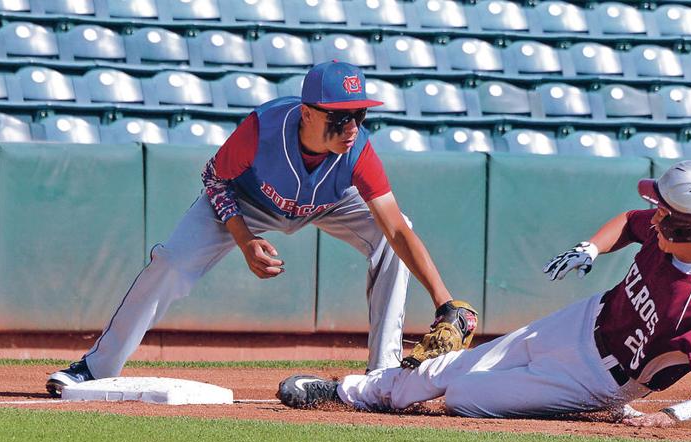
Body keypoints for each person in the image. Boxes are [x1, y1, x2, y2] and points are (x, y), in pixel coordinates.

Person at [46, 61, 476, 396]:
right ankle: (95, 367)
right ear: (307, 113)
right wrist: (244, 238)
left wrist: (443, 302)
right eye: (340, 117)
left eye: (359, 114)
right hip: (245, 203)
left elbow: (398, 230)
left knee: (389, 234)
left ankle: (381, 374)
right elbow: (214, 177)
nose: (352, 127)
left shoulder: (357, 151)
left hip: (328, 204)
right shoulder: (263, 128)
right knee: (171, 262)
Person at [278, 161, 691, 428]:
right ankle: (347, 391)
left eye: (663, 212)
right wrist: (591, 248)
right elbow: (628, 222)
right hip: (582, 322)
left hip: (601, 379)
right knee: (451, 368)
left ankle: (591, 409)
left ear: (687, 226)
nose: (655, 215)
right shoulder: (668, 236)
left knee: (464, 396)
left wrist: (670, 415)